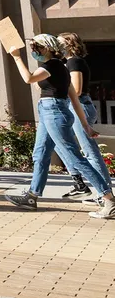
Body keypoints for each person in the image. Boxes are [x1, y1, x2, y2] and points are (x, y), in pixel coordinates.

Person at [4, 35, 115, 218]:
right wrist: (86, 126)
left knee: (76, 158)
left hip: (55, 113)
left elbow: (28, 78)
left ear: (46, 48)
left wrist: (16, 57)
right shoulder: (60, 68)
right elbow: (74, 99)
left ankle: (109, 200)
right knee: (40, 154)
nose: (33, 50)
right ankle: (32, 196)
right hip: (50, 112)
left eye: (36, 47)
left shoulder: (53, 66)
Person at [58, 32, 110, 204]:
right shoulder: (68, 62)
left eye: (60, 43)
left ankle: (105, 194)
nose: (57, 46)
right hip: (74, 107)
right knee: (61, 145)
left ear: (69, 44)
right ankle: (80, 185)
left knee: (89, 151)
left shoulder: (74, 61)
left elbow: (77, 89)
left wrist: (55, 89)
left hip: (79, 107)